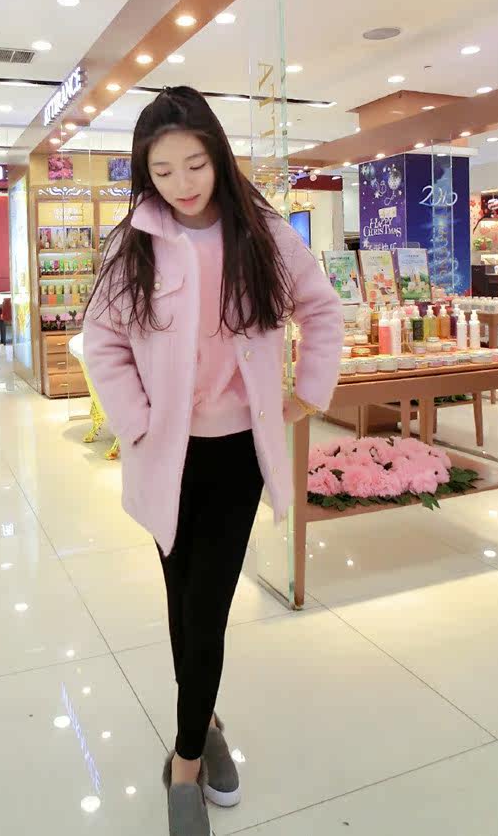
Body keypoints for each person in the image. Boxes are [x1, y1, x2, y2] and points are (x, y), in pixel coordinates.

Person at [83, 86, 343, 836]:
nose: (182, 183)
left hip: (236, 456)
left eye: (195, 164)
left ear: (219, 157)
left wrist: (308, 391)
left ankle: (186, 762)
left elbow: (321, 307)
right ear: (145, 172)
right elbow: (101, 340)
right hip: (164, 457)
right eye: (162, 170)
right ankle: (207, 721)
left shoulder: (262, 232)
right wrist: (138, 422)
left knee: (207, 611)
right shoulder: (133, 242)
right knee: (180, 601)